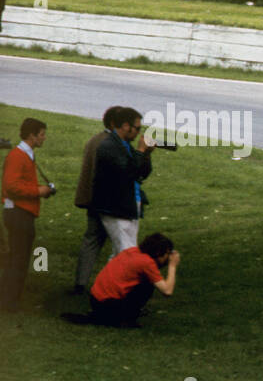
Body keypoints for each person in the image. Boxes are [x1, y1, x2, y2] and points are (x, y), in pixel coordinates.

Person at [0, 118, 55, 313]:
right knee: (19, 259)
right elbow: (11, 187)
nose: (44, 138)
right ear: (32, 135)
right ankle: (9, 302)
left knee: (18, 257)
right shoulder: (18, 155)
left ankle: (7, 298)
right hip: (18, 213)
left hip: (21, 212)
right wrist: (38, 191)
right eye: (42, 134)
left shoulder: (26, 154)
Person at [66, 233, 179, 328]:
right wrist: (172, 266)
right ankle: (124, 320)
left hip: (96, 301)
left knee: (145, 281)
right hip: (107, 306)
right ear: (159, 252)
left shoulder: (133, 251)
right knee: (147, 286)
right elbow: (167, 291)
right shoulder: (147, 263)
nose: (168, 257)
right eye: (167, 253)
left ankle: (115, 316)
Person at [73, 106, 127, 294]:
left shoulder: (94, 140)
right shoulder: (112, 144)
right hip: (108, 202)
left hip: (92, 200)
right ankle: (112, 285)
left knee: (91, 240)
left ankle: (80, 282)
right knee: (120, 244)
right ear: (114, 124)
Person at [90, 106, 153, 257]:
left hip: (129, 204)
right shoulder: (109, 146)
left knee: (121, 255)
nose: (138, 133)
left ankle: (109, 280)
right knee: (127, 254)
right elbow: (128, 172)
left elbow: (142, 173)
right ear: (125, 126)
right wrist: (140, 151)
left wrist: (147, 154)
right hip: (116, 207)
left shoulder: (125, 146)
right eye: (137, 128)